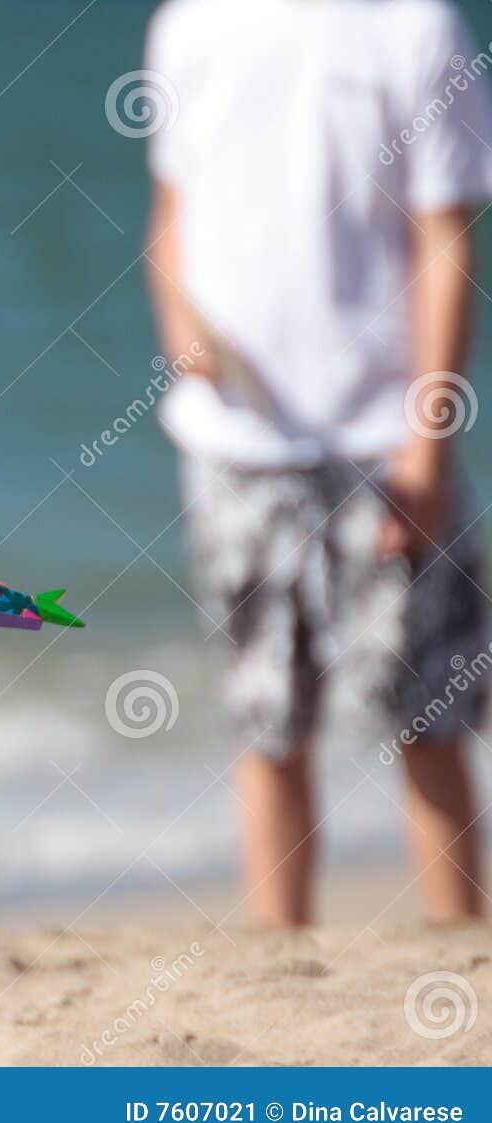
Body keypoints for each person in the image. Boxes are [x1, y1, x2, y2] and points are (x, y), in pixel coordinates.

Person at [145, 0, 491, 927]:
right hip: (238, 442)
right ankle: (278, 954)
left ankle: (461, 949)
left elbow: (445, 238)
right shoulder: (190, 24)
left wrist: (429, 443)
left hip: (386, 435)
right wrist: (184, 334)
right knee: (269, 720)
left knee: (428, 713)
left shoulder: (418, 26)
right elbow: (170, 219)